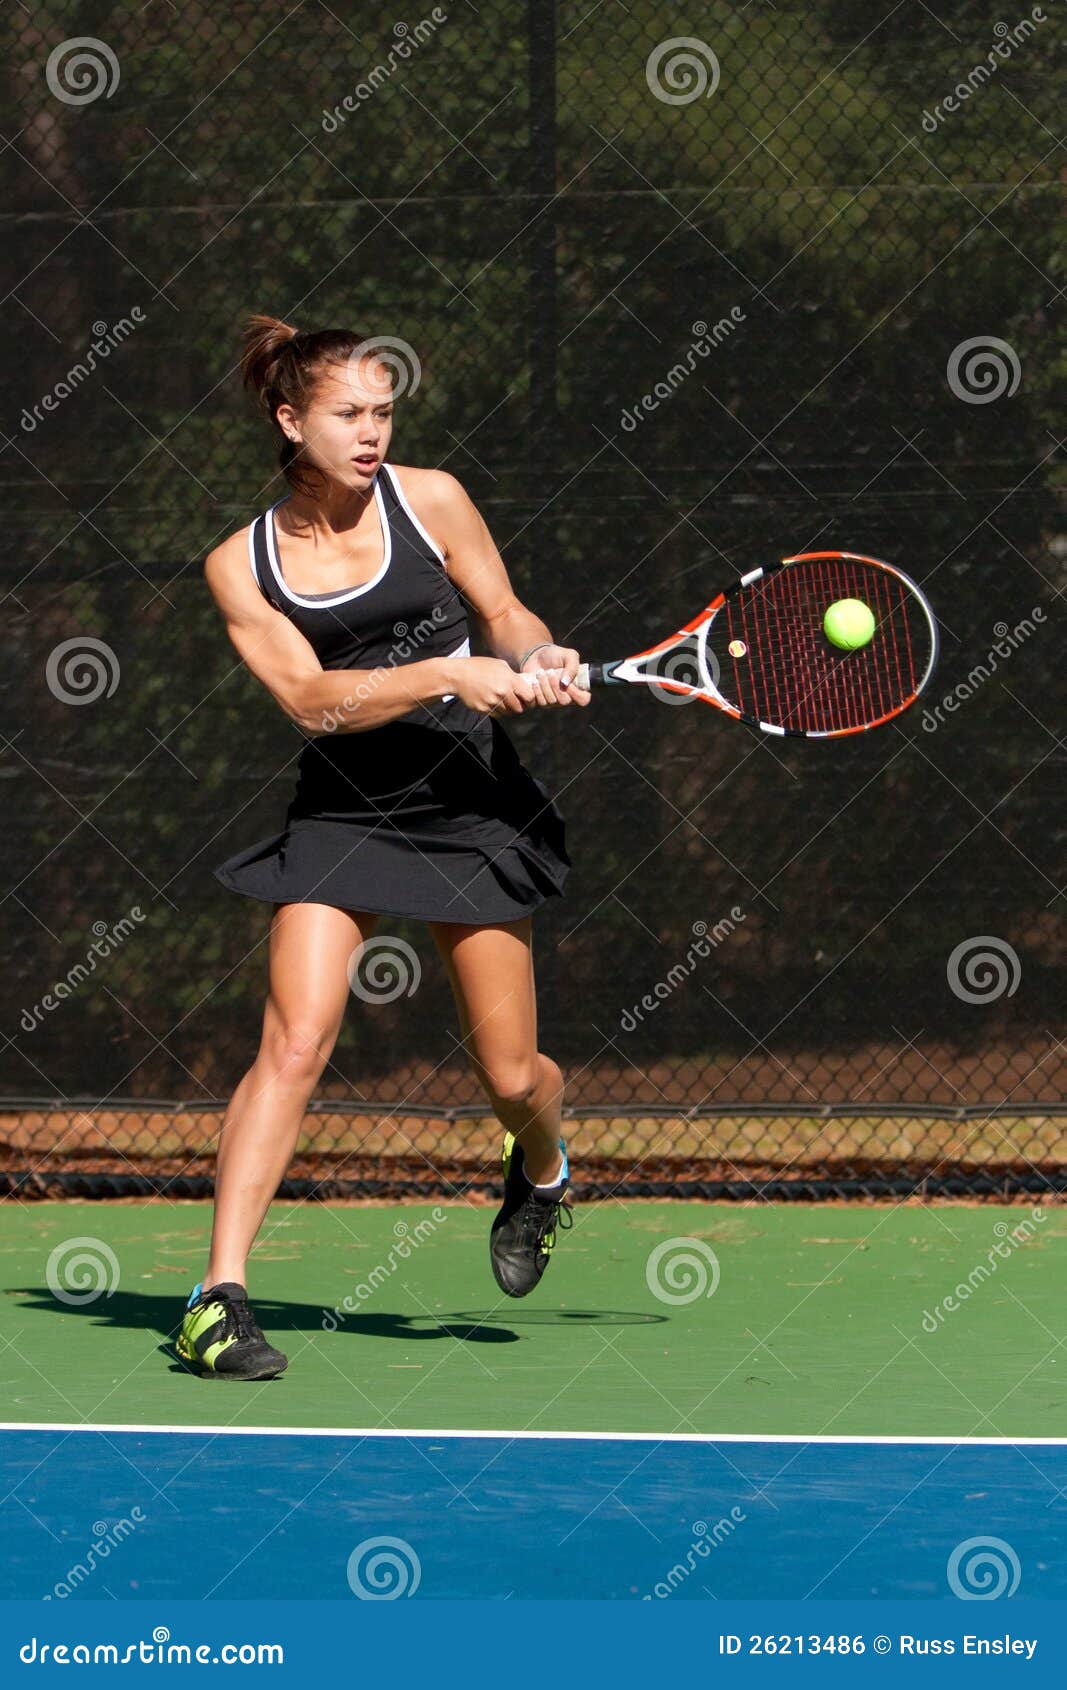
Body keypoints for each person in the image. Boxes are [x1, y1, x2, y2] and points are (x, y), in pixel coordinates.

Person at [177, 316, 589, 1380]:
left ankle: (540, 1166)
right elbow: (313, 702)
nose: (371, 433)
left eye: (382, 412)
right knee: (296, 1037)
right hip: (345, 806)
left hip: (466, 797)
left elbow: (501, 611)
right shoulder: (241, 565)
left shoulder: (432, 497)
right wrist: (445, 673)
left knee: (507, 1074)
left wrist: (537, 655)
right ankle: (215, 1298)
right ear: (288, 418)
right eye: (347, 414)